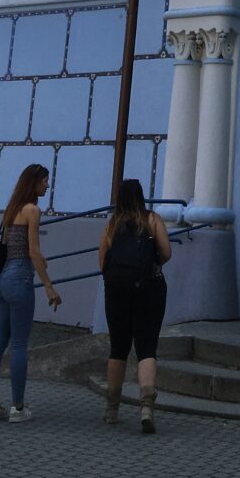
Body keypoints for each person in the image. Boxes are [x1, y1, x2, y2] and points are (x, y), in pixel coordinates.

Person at [0, 163, 61, 422]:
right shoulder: (32, 210)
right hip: (21, 279)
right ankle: (18, 408)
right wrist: (48, 285)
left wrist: (37, 259)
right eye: (45, 181)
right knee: (18, 345)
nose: (47, 186)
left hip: (3, 278)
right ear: (35, 183)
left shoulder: (13, 209)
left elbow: (11, 245)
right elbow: (32, 250)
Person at [98, 179, 171, 433]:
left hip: (117, 290)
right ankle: (146, 407)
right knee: (146, 347)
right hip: (149, 288)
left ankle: (112, 409)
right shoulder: (152, 220)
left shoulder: (112, 224)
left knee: (118, 348)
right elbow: (166, 253)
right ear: (141, 197)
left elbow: (102, 263)